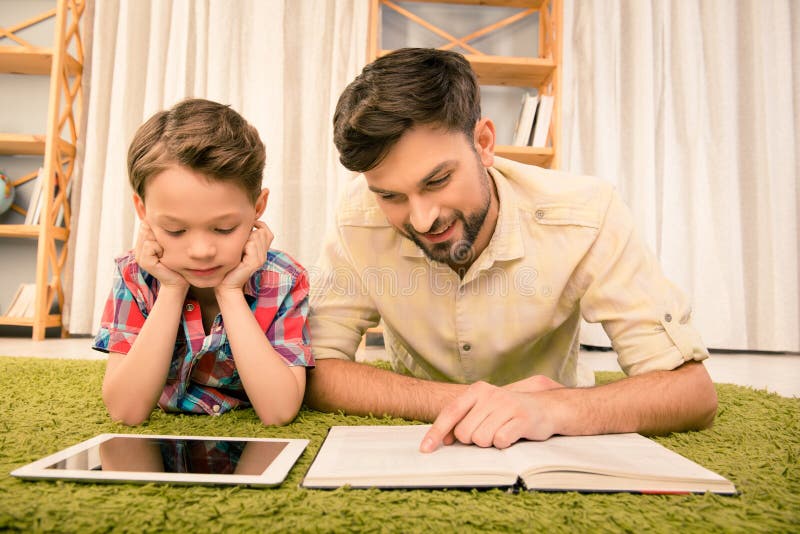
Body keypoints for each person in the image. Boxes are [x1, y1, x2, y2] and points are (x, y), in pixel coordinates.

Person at [306, 48, 717, 452]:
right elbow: (316, 369)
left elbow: (690, 391)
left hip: (553, 437)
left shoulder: (588, 213)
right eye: (391, 196)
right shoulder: (356, 216)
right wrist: (474, 404)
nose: (422, 219)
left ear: (484, 142)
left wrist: (553, 409)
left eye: (437, 181)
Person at [94, 98, 313, 426]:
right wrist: (171, 289)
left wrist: (231, 292)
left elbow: (279, 411)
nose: (201, 251)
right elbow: (126, 411)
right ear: (142, 210)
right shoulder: (135, 275)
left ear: (258, 207)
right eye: (175, 230)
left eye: (224, 229)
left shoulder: (284, 280)